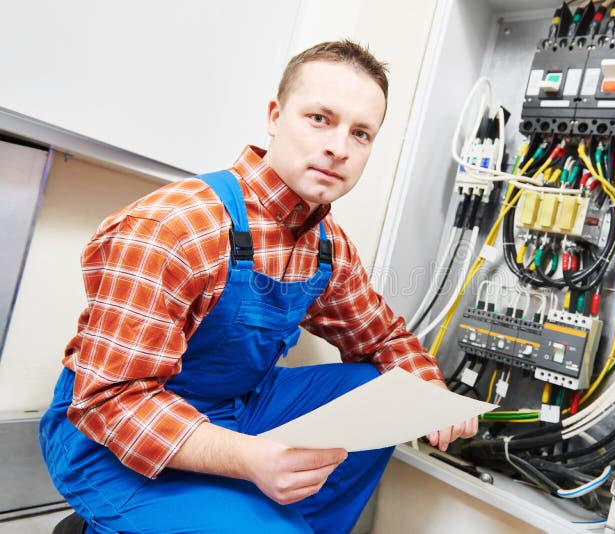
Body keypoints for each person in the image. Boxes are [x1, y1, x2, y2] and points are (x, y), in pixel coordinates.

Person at [40, 40, 477, 534]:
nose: (339, 147)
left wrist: (430, 393)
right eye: (319, 118)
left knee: (385, 392)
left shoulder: (326, 244)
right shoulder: (176, 227)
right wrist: (248, 458)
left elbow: (383, 340)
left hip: (233, 410)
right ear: (274, 115)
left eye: (361, 133)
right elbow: (108, 402)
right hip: (109, 444)